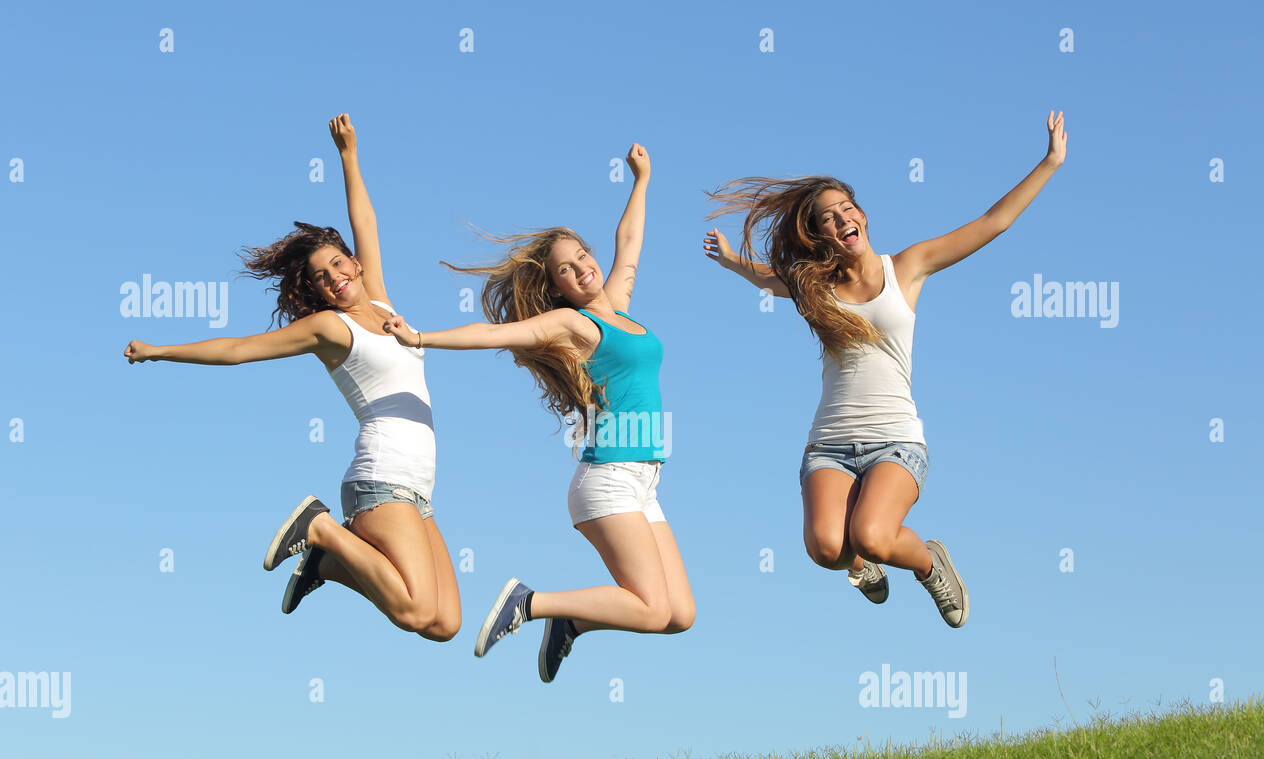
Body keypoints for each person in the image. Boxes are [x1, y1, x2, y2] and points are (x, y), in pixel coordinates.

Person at [704, 111, 1069, 628]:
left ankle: (930, 563)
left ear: (862, 216)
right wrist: (734, 263)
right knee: (829, 549)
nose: (840, 219)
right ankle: (863, 565)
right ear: (818, 236)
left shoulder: (908, 267)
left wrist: (1049, 162)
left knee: (873, 534)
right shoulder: (816, 290)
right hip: (829, 443)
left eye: (846, 208)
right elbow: (772, 280)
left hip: (895, 440)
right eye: (827, 217)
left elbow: (993, 222)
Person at [124, 114, 460, 641]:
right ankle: (319, 526)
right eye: (321, 278)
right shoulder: (331, 327)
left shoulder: (380, 301)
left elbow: (365, 223)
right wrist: (161, 350)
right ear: (319, 293)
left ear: (354, 262)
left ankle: (322, 564)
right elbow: (238, 350)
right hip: (383, 479)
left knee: (445, 624)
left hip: (419, 488)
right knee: (416, 612)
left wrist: (348, 154)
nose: (335, 278)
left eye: (338, 264)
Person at [383, 143, 694, 681]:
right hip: (609, 479)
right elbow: (495, 334)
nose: (580, 270)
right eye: (565, 271)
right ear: (556, 289)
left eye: (582, 259)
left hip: (645, 481)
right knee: (649, 606)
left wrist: (641, 180)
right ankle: (531, 603)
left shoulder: (617, 307)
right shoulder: (574, 327)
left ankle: (570, 624)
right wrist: (419, 337)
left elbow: (630, 243)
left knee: (678, 616)